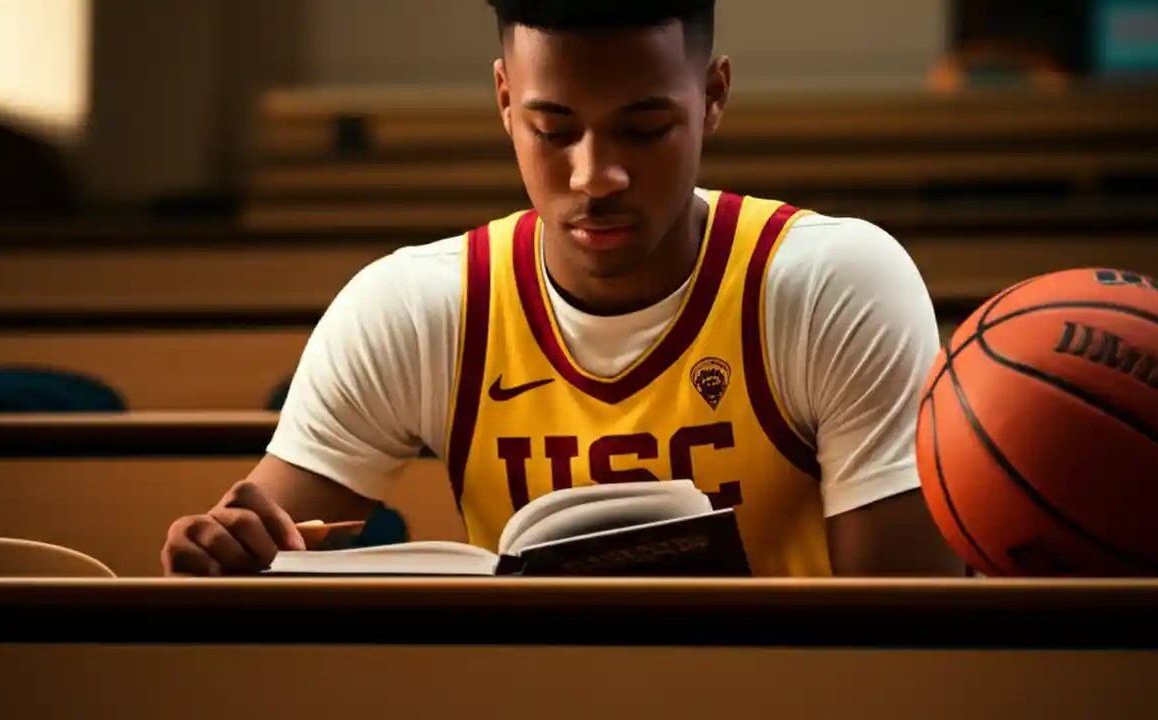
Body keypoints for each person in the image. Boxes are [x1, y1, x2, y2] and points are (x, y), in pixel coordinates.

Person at [162, 0, 965, 578]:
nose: (595, 176)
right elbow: (260, 562)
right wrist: (220, 557)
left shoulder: (835, 285)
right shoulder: (414, 307)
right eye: (553, 131)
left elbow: (902, 634)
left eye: (644, 130)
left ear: (714, 96)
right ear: (506, 98)